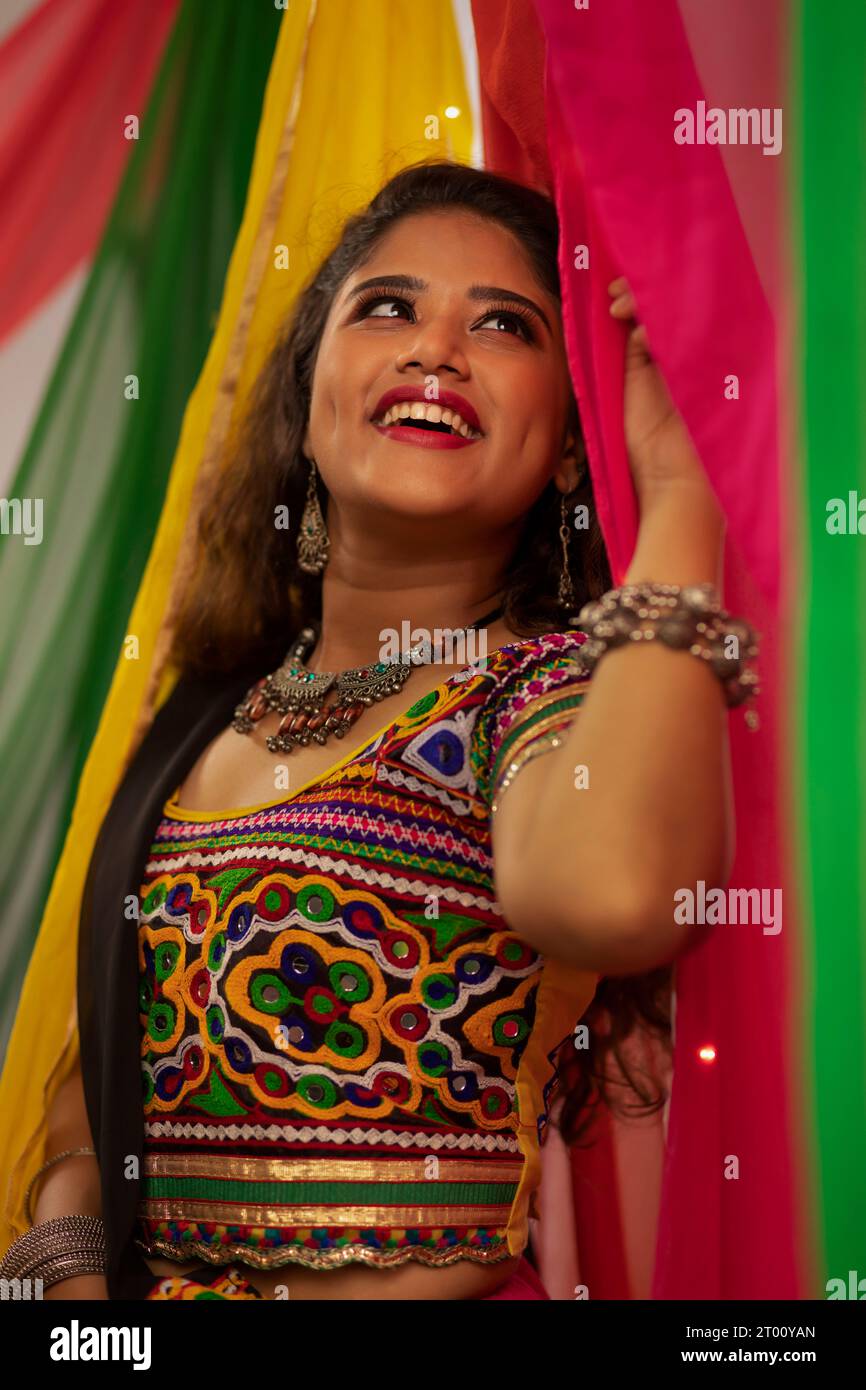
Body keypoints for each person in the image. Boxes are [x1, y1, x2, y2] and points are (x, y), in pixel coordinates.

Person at [6, 161, 752, 1301]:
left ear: (565, 446)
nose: (435, 350)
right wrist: (64, 1291)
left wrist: (678, 490)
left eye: (503, 324)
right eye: (387, 307)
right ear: (310, 402)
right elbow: (90, 1088)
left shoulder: (534, 695)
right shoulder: (201, 710)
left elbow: (611, 896)